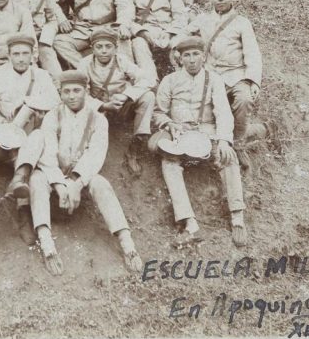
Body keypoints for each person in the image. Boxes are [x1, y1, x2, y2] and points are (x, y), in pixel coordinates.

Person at [29, 70, 143, 276]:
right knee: (36, 180)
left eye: (76, 91)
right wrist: (58, 184)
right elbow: (47, 153)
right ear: (60, 93)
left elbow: (95, 155)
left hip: (79, 177)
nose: (71, 96)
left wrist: (75, 183)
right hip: (54, 173)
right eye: (66, 91)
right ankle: (47, 244)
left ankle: (127, 243)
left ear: (86, 91)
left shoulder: (98, 119)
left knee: (101, 184)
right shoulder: (52, 116)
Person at [150, 36, 247, 247]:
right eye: (187, 55)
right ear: (180, 58)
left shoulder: (214, 79)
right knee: (169, 164)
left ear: (203, 57)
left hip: (207, 133)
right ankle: (189, 223)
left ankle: (237, 216)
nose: (192, 60)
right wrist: (169, 124)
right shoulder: (170, 81)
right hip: (180, 136)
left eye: (196, 54)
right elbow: (158, 112)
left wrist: (223, 140)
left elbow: (223, 112)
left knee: (228, 157)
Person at [0, 34, 60, 244]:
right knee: (22, 155)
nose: (21, 58)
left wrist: (35, 108)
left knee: (36, 140)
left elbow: (56, 104)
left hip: (35, 136)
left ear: (33, 54)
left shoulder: (42, 76)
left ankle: (19, 191)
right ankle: (24, 214)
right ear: (8, 55)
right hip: (6, 141)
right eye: (16, 54)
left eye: (25, 53)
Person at [183, 0, 263, 168]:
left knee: (244, 100)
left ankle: (239, 144)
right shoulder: (203, 19)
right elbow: (184, 34)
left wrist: (254, 82)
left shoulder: (242, 23)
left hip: (236, 75)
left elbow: (252, 53)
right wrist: (176, 47)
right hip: (211, 73)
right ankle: (208, 148)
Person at [77, 26, 156, 175]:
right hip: (100, 109)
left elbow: (147, 79)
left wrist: (126, 95)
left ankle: (136, 145)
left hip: (122, 106)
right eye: (99, 47)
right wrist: (103, 105)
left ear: (115, 48)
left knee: (149, 96)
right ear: (92, 48)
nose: (104, 51)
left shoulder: (121, 61)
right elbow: (81, 94)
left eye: (108, 46)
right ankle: (89, 156)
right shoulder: (84, 64)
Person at [11, 0, 65, 76]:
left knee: (48, 55)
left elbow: (52, 20)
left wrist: (45, 39)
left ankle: (59, 85)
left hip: (39, 36)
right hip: (19, 36)